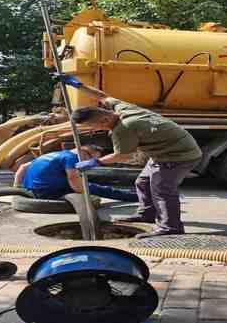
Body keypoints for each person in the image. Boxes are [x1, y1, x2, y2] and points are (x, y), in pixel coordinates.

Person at [69, 87, 202, 239]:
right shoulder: (121, 108)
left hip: (178, 156)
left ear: (104, 119)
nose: (93, 130)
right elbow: (102, 96)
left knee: (162, 189)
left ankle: (171, 227)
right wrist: (79, 85)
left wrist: (95, 162)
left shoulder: (123, 129)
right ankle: (147, 214)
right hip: (164, 151)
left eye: (93, 126)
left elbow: (123, 156)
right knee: (143, 182)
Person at [13, 145, 138, 202]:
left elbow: (22, 167)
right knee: (102, 189)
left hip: (32, 190)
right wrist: (87, 193)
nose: (88, 163)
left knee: (89, 185)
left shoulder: (53, 154)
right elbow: (74, 181)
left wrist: (17, 188)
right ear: (85, 152)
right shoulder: (71, 157)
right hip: (47, 192)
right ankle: (137, 198)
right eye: (91, 159)